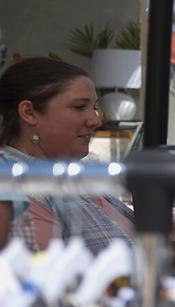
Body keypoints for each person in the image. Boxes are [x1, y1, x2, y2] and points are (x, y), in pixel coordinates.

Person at [0, 58, 135, 251]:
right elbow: (45, 274)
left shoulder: (76, 176)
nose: (95, 120)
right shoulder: (15, 184)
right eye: (79, 107)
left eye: (94, 107)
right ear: (29, 112)